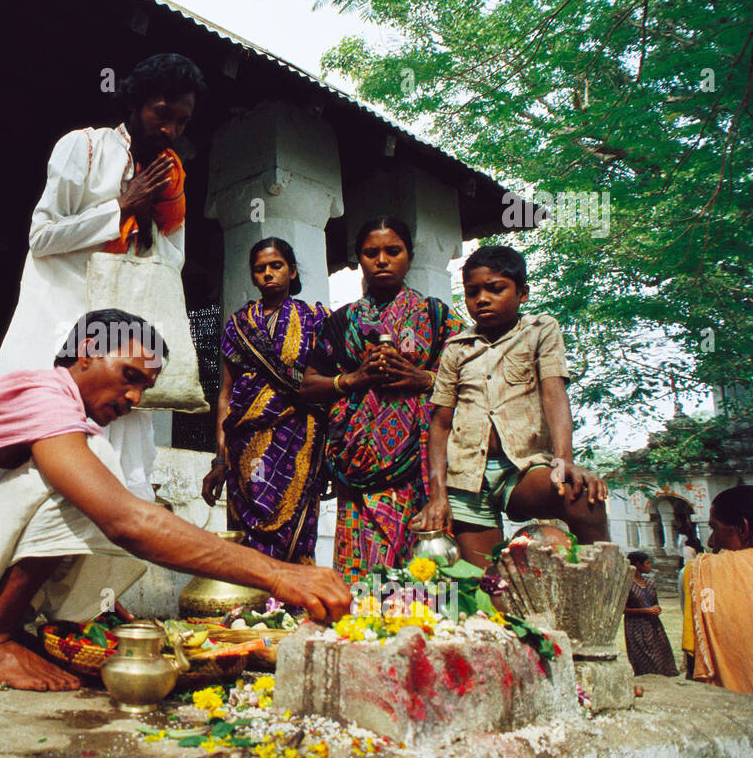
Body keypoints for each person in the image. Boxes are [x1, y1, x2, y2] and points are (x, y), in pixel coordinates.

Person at [0, 309, 352, 691]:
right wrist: (277, 573)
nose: (133, 397)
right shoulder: (42, 393)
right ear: (86, 352)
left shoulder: (59, 407)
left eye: (144, 387)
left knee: (100, 476)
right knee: (99, 469)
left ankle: (21, 631)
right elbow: (124, 522)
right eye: (128, 375)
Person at [0, 54, 206, 501]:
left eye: (181, 122)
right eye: (162, 114)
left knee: (119, 482)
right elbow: (42, 236)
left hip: (123, 349)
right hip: (58, 335)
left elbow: (175, 265)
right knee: (42, 475)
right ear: (135, 103)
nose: (169, 131)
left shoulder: (172, 181)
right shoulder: (84, 147)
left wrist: (146, 222)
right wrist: (120, 209)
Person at [415, 244, 609, 567]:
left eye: (495, 289)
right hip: (467, 477)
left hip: (523, 468)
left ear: (522, 293)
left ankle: (605, 588)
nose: (482, 299)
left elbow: (554, 394)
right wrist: (438, 495)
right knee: (485, 585)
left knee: (583, 498)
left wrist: (564, 459)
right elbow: (440, 425)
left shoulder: (540, 330)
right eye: (472, 292)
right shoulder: (456, 348)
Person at [297, 217, 463, 585]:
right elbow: (308, 386)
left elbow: (473, 380)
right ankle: (363, 635)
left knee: (417, 569)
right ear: (359, 260)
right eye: (371, 253)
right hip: (356, 462)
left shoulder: (437, 318)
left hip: (418, 462)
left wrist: (424, 379)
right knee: (362, 570)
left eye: (393, 251)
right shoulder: (341, 323)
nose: (382, 260)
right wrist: (355, 379)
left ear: (409, 256)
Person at [200, 238, 329, 564]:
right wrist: (220, 459)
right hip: (245, 442)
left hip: (299, 440)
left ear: (292, 270)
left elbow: (328, 389)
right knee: (247, 532)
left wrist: (331, 456)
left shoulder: (316, 320)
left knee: (295, 525)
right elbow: (226, 395)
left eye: (276, 266)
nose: (268, 274)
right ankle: (252, 607)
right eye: (260, 269)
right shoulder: (239, 325)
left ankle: (295, 605)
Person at [682, 485, 753, 693]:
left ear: (742, 528)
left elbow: (695, 657)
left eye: (715, 528)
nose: (710, 540)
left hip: (736, 711)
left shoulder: (703, 571)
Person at [622, 551, 679, 676]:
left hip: (653, 625)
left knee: (661, 653)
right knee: (644, 657)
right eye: (647, 563)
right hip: (636, 626)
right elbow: (623, 609)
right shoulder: (627, 584)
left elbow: (654, 602)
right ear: (638, 564)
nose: (650, 566)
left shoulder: (649, 582)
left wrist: (656, 608)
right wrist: (644, 611)